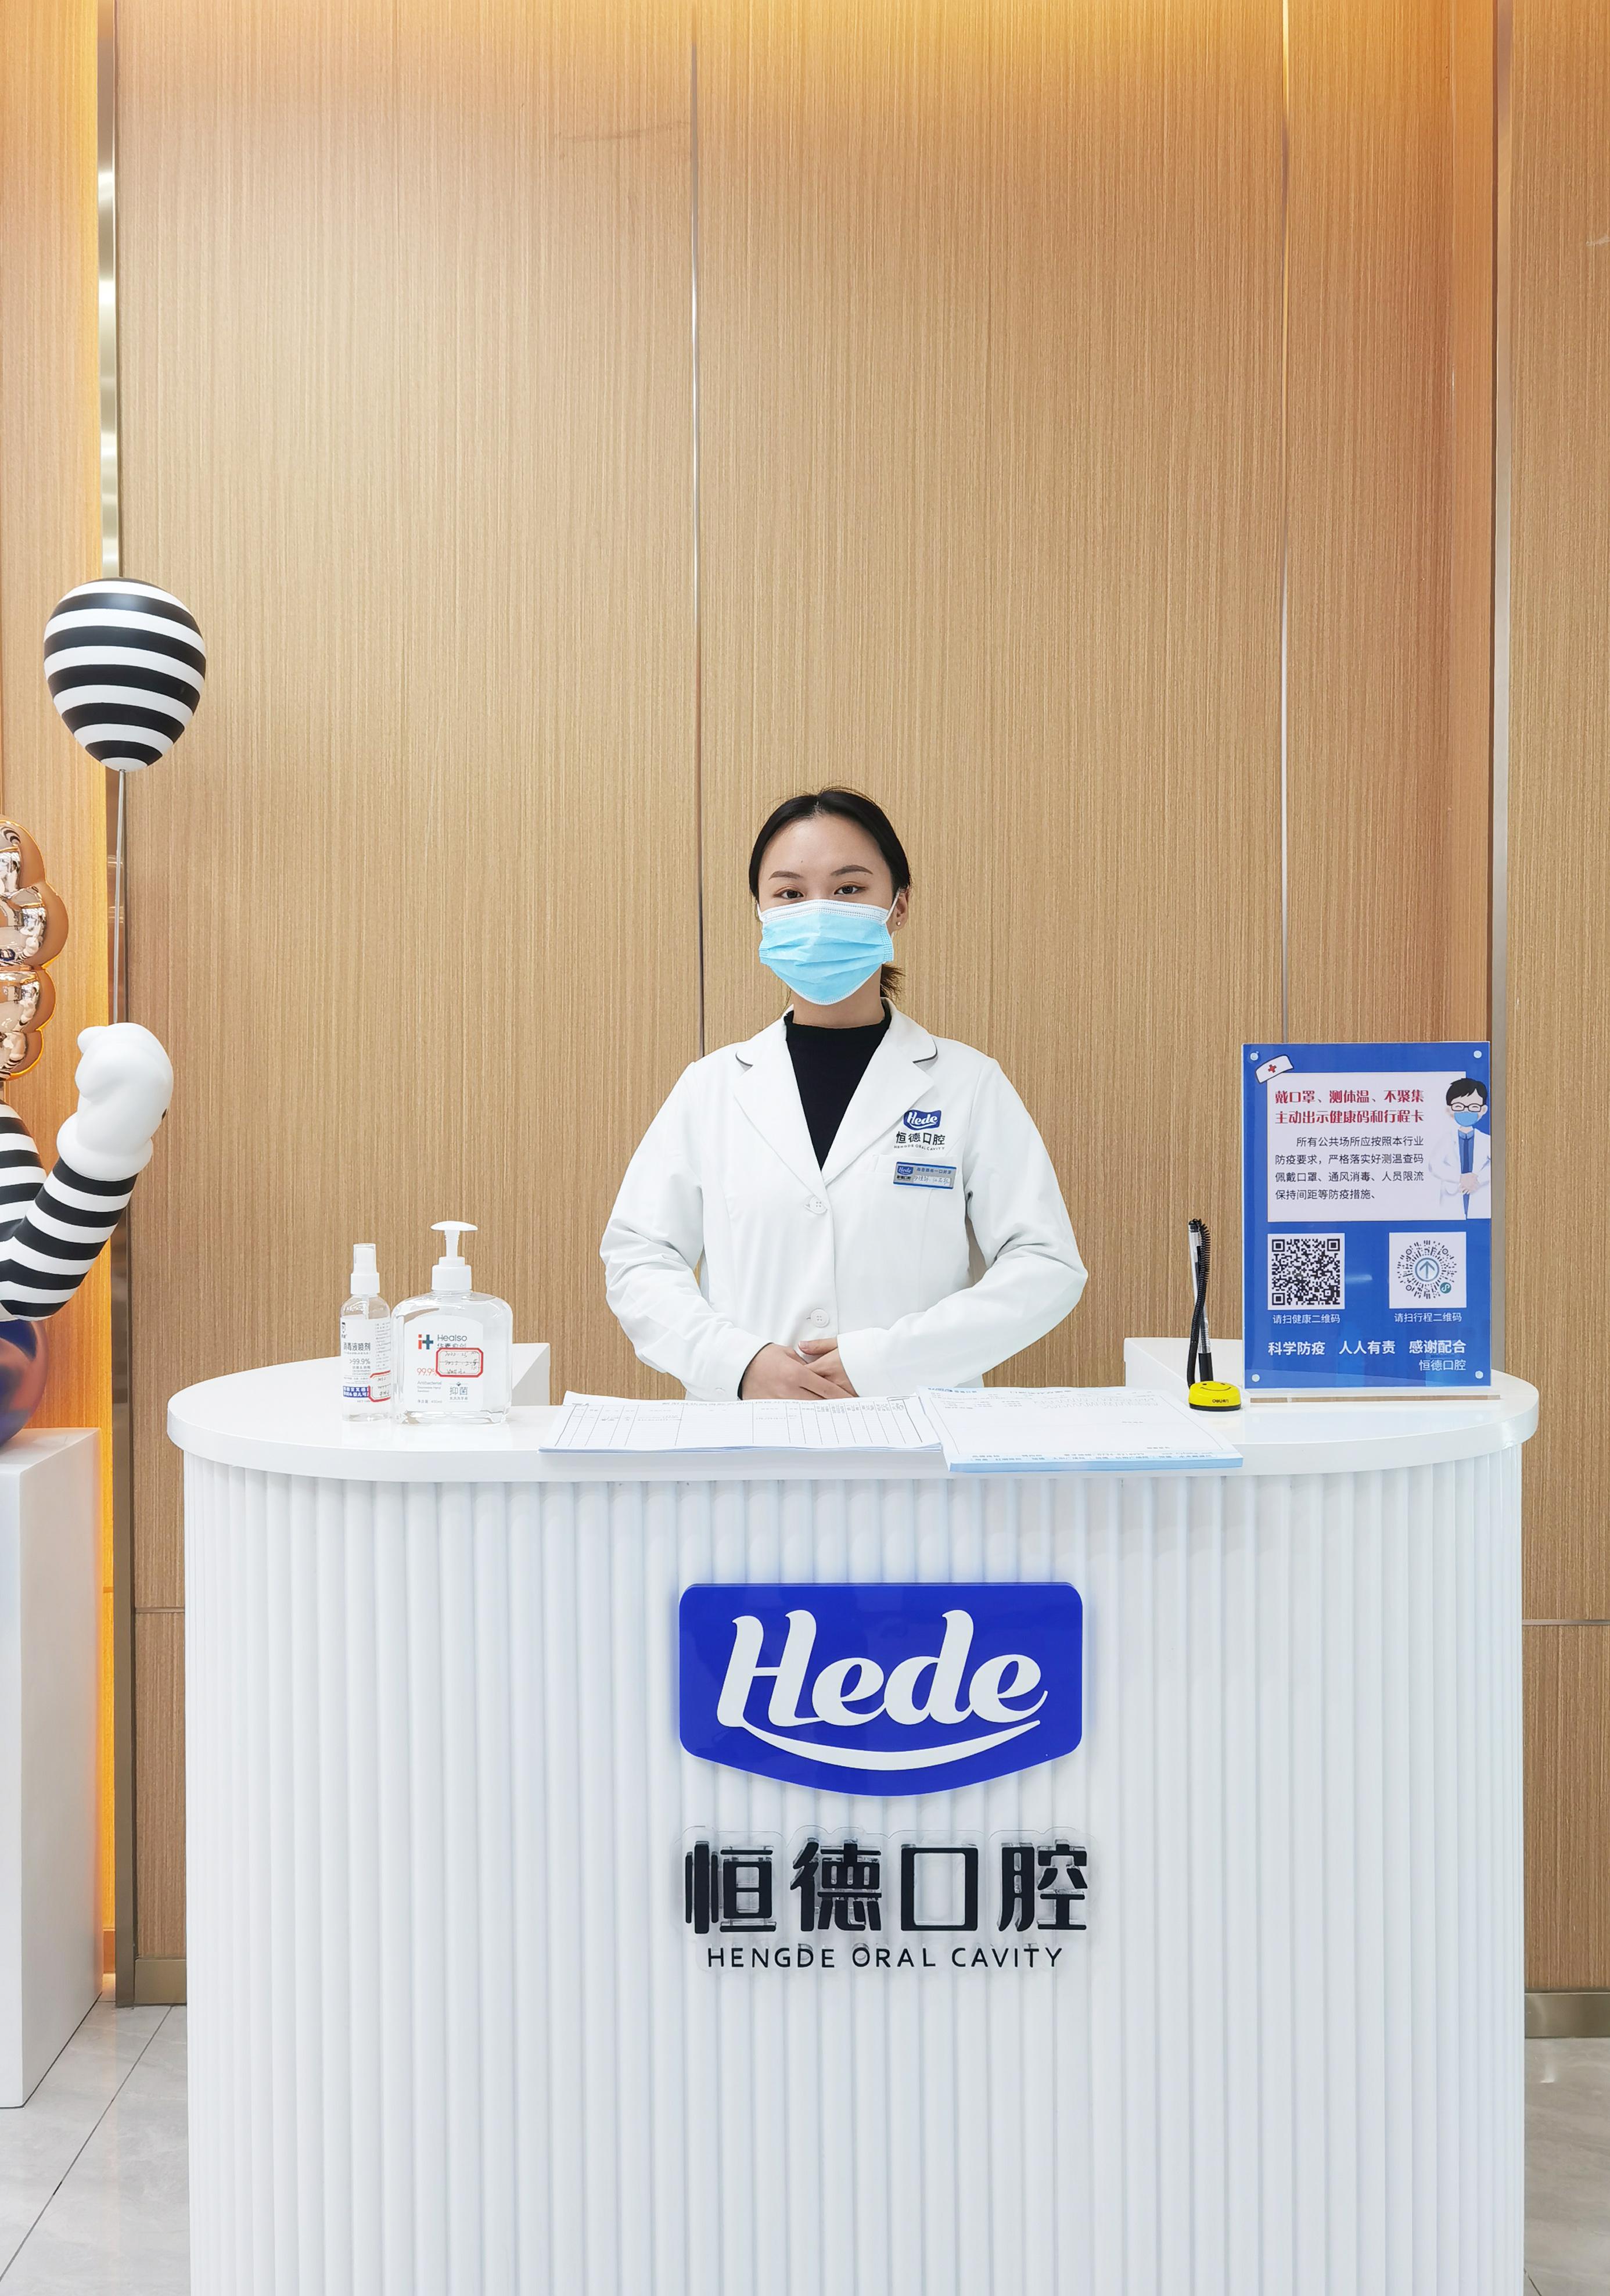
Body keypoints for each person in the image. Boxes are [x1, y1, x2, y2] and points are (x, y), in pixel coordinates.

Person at [601, 788, 1085, 1399]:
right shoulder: (711, 1088)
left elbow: (1045, 1264)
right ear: (761, 913)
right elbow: (640, 1256)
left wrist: (892, 1361)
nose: (819, 913)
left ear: (899, 906)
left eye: (849, 888)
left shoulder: (968, 1083)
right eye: (790, 894)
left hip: (918, 1426)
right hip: (751, 1435)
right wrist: (737, 1363)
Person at [1428, 1075, 1491, 1219]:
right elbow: (1434, 1164)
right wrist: (1461, 1178)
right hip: (1453, 1192)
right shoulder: (1446, 1139)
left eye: (1474, 1107)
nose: (1466, 1111)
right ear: (1449, 1110)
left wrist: (1477, 1179)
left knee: (1477, 1218)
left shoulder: (1487, 1140)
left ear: (1483, 1110)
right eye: (1459, 1107)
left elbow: (1498, 1164)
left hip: (1479, 1193)